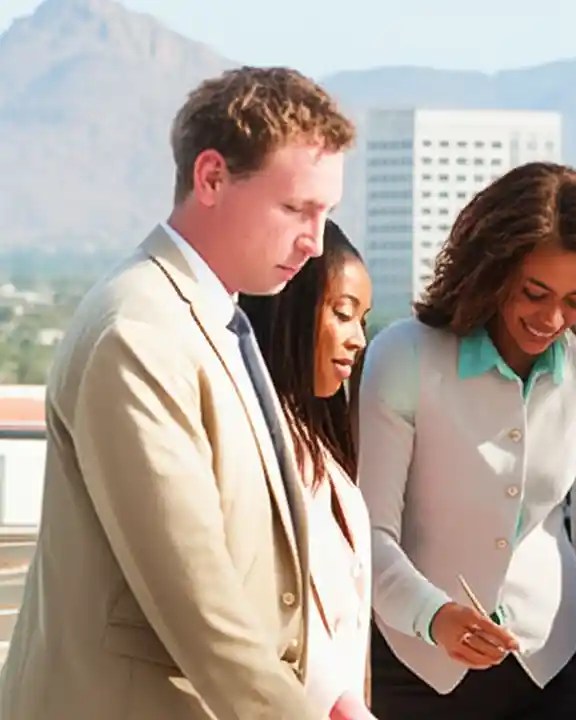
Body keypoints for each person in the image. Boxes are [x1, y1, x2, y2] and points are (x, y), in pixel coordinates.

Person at [0, 66, 354, 719]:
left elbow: (257, 570)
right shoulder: (139, 331)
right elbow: (197, 597)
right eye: (296, 208)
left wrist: (329, 695)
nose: (315, 240)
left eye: (325, 213)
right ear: (211, 177)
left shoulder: (212, 318)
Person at [357, 161, 576, 719]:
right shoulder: (404, 356)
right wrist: (431, 615)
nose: (552, 317)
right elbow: (368, 532)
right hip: (416, 657)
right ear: (490, 272)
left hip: (552, 662)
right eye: (533, 292)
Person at [239, 219, 375, 720]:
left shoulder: (321, 447)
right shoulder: (247, 439)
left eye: (362, 319)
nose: (358, 338)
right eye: (343, 314)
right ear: (290, 312)